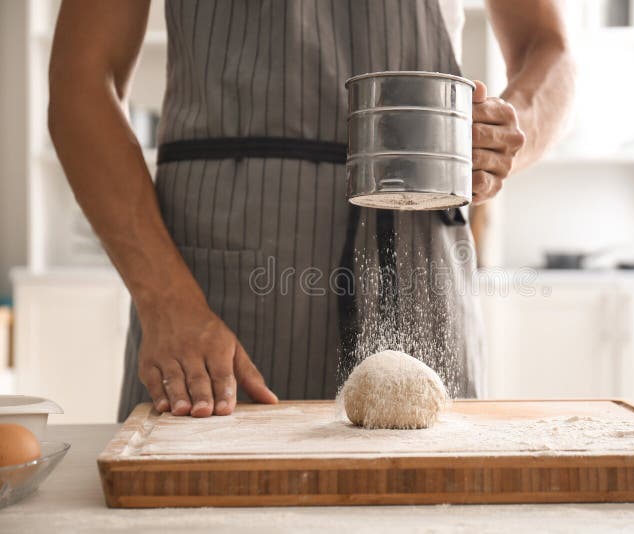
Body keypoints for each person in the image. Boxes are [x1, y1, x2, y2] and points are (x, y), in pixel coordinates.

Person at [48, 0, 574, 420]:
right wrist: (165, 299)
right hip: (212, 293)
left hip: (418, 260)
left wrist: (509, 134)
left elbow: (547, 47)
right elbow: (82, 80)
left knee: (433, 508)